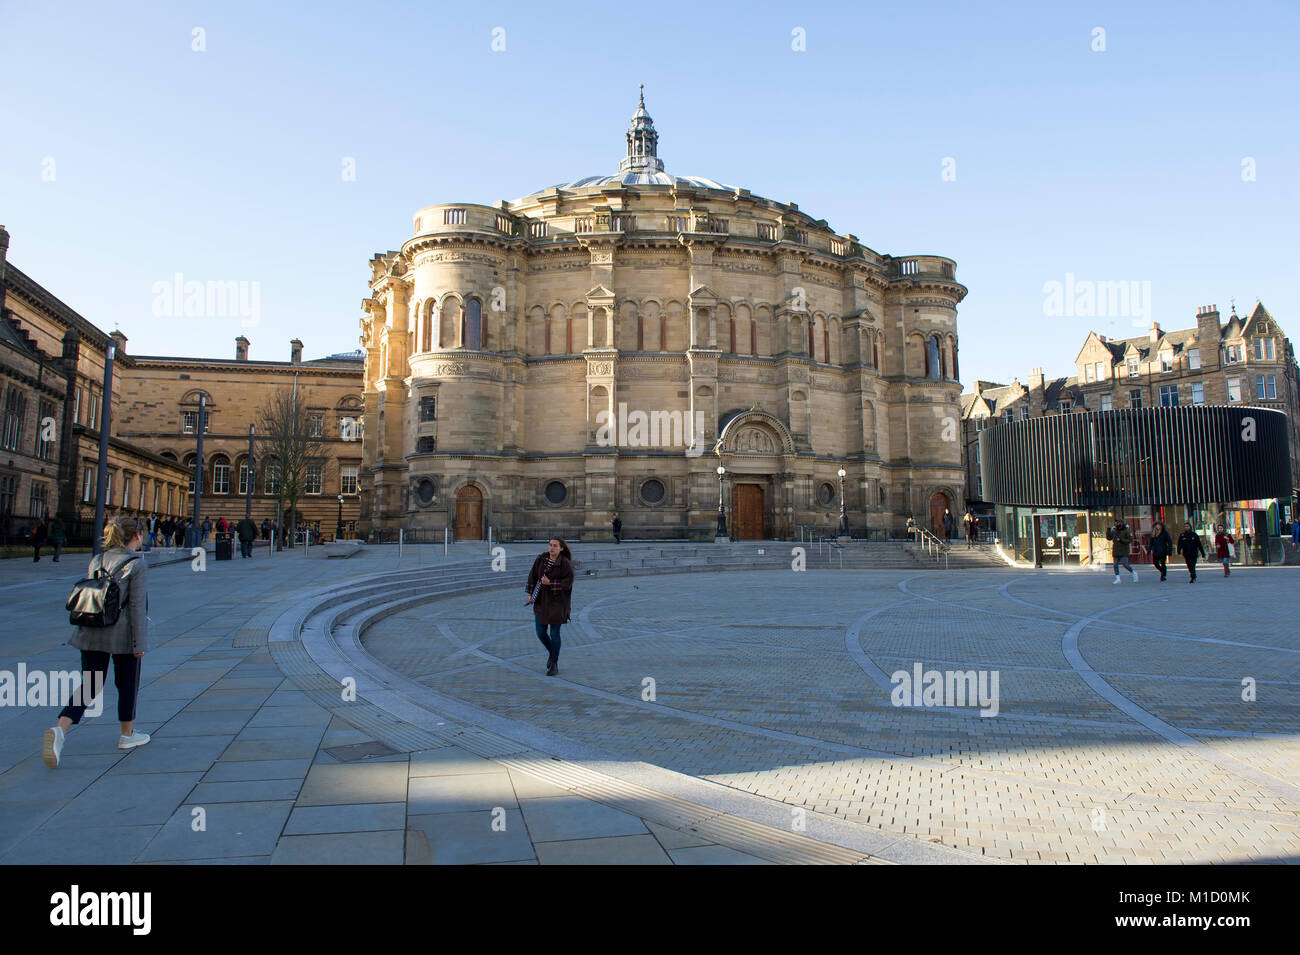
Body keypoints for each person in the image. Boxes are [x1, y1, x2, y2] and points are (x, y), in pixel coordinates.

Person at [42, 515, 151, 768]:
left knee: (90, 685)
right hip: (122, 635)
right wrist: (140, 644)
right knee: (127, 683)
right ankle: (127, 734)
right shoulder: (137, 564)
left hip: (91, 630)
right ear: (136, 536)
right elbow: (136, 607)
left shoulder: (97, 559)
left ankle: (61, 728)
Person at [525, 538, 574, 677]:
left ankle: (554, 663)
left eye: (555, 546)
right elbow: (532, 576)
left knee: (554, 633)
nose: (551, 548)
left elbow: (567, 584)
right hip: (541, 601)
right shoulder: (541, 559)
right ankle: (553, 654)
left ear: (561, 548)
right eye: (550, 545)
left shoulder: (565, 564)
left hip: (558, 604)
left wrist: (551, 583)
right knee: (540, 632)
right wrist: (529, 593)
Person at [1105, 517, 1138, 584]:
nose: (1117, 523)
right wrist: (1108, 530)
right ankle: (1118, 578)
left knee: (1125, 564)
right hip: (1116, 550)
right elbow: (1109, 538)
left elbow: (1130, 540)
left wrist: (1121, 540)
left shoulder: (1126, 530)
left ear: (1122, 523)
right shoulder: (1114, 530)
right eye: (1116, 522)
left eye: (1118, 522)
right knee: (1115, 565)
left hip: (1124, 550)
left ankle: (1133, 573)